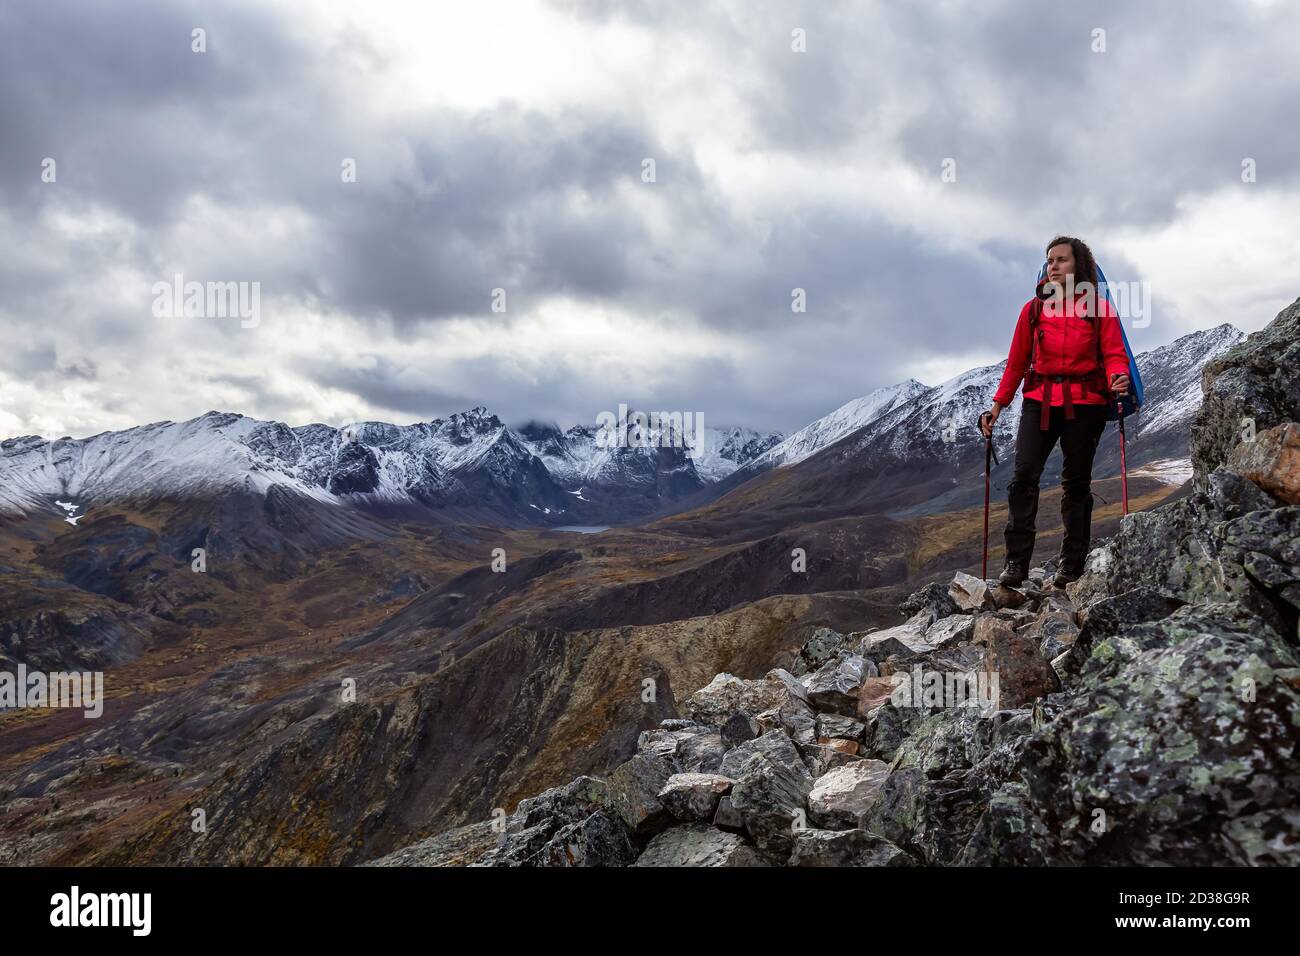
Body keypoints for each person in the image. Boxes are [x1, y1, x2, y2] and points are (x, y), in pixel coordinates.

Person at [979, 236, 1131, 588]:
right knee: (1023, 478)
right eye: (1050, 260)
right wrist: (997, 407)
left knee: (1076, 485)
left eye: (1061, 260)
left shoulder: (1098, 309)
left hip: (1085, 403)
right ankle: (1016, 563)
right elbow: (1016, 364)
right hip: (1040, 401)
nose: (1053, 266)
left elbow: (1113, 354)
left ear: (1078, 264)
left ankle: (1071, 567)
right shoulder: (1033, 310)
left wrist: (1118, 377)